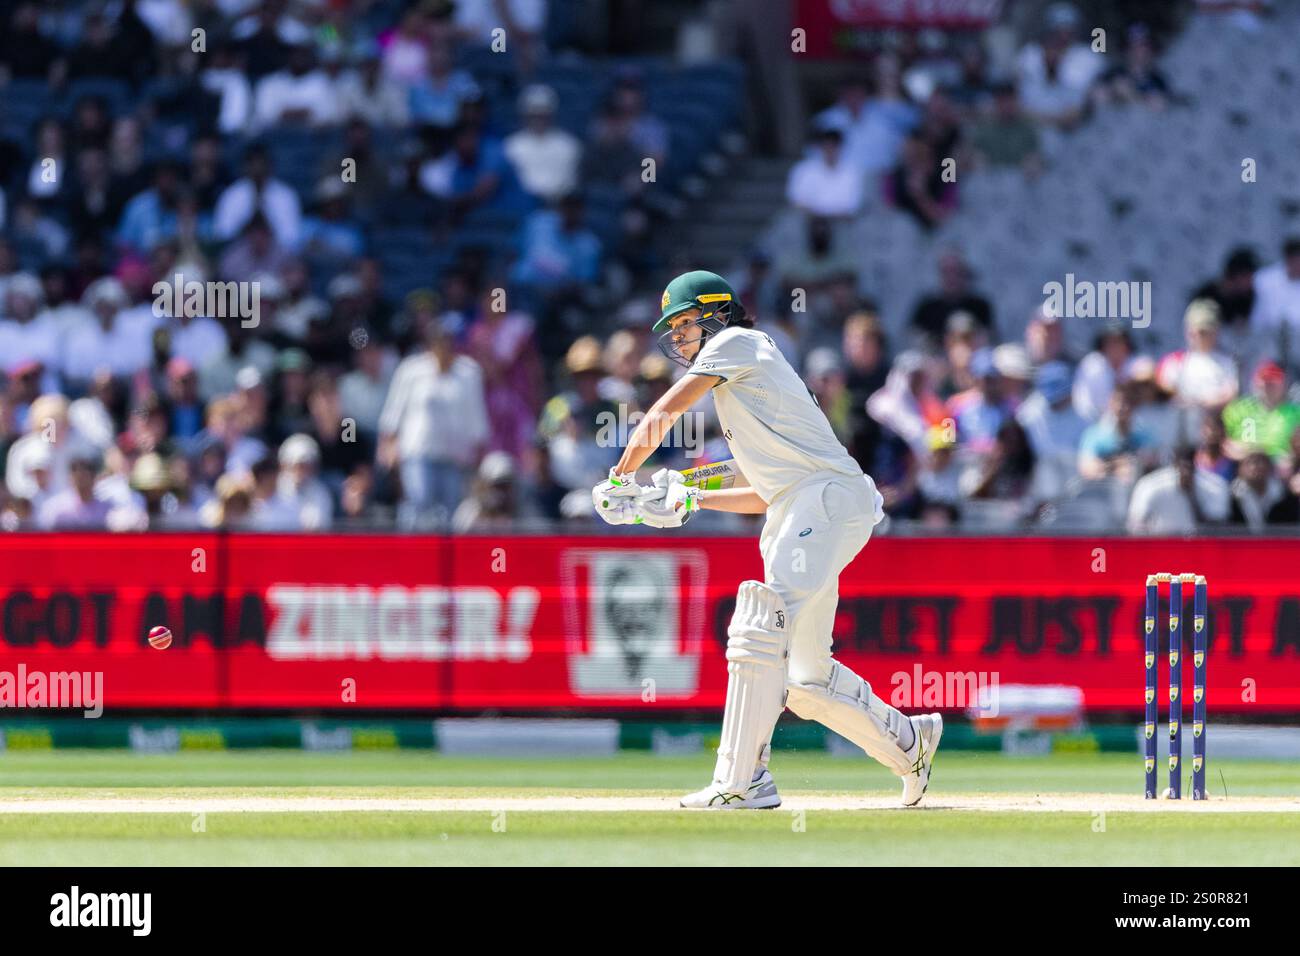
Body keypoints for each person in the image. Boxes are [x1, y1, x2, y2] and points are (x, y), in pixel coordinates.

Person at [591, 271, 942, 809]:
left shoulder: (738, 343)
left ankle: (742, 781)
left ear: (716, 313)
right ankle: (908, 742)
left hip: (822, 499)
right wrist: (687, 493)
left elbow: (665, 410)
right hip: (807, 504)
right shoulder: (744, 388)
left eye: (685, 324)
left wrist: (621, 476)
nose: (679, 339)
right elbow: (761, 486)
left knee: (761, 620)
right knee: (805, 679)